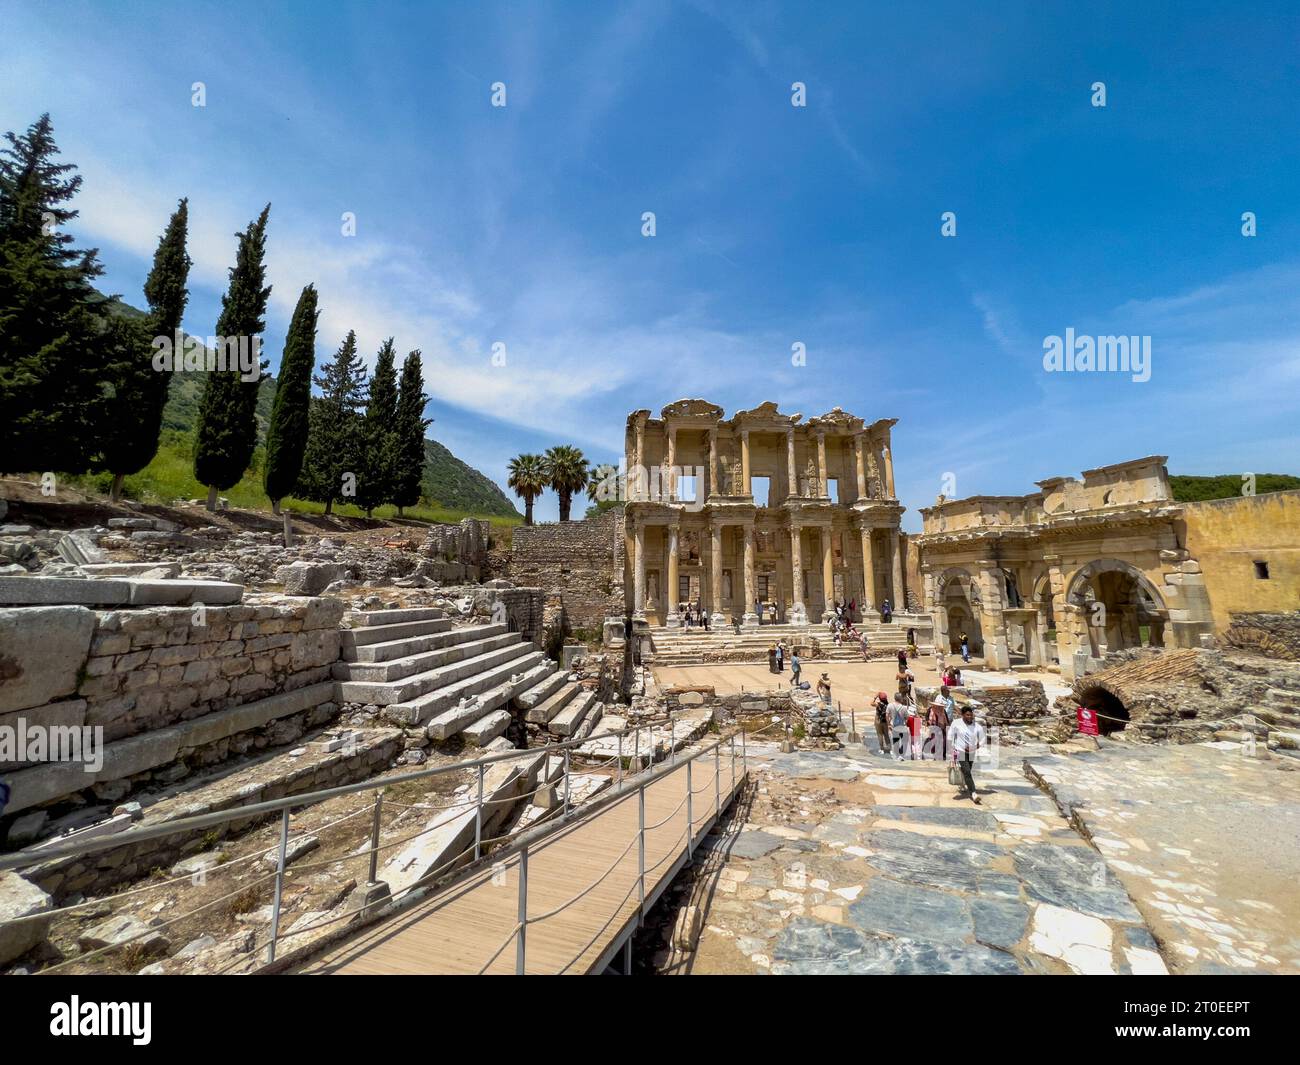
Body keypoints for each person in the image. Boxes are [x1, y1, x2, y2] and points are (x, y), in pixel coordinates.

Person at [949, 706, 986, 803]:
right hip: (960, 750)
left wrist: (975, 747)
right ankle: (973, 793)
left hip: (971, 752)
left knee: (967, 770)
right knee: (967, 772)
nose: (970, 717)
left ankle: (963, 783)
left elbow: (982, 739)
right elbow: (951, 736)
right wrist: (953, 753)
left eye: (971, 715)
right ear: (963, 715)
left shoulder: (977, 727)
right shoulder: (956, 723)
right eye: (967, 715)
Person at [888, 692, 910, 761]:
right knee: (904, 741)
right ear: (900, 699)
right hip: (902, 726)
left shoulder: (890, 706)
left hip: (894, 726)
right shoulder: (903, 707)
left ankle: (897, 756)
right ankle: (901, 755)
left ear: (894, 698)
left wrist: (888, 724)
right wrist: (906, 724)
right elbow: (907, 718)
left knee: (896, 741)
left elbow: (887, 715)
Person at [872, 691, 891, 756]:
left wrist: (875, 697)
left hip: (878, 721)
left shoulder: (878, 704)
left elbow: (871, 703)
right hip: (885, 722)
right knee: (886, 735)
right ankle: (889, 749)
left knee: (880, 735)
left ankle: (882, 749)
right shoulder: (888, 705)